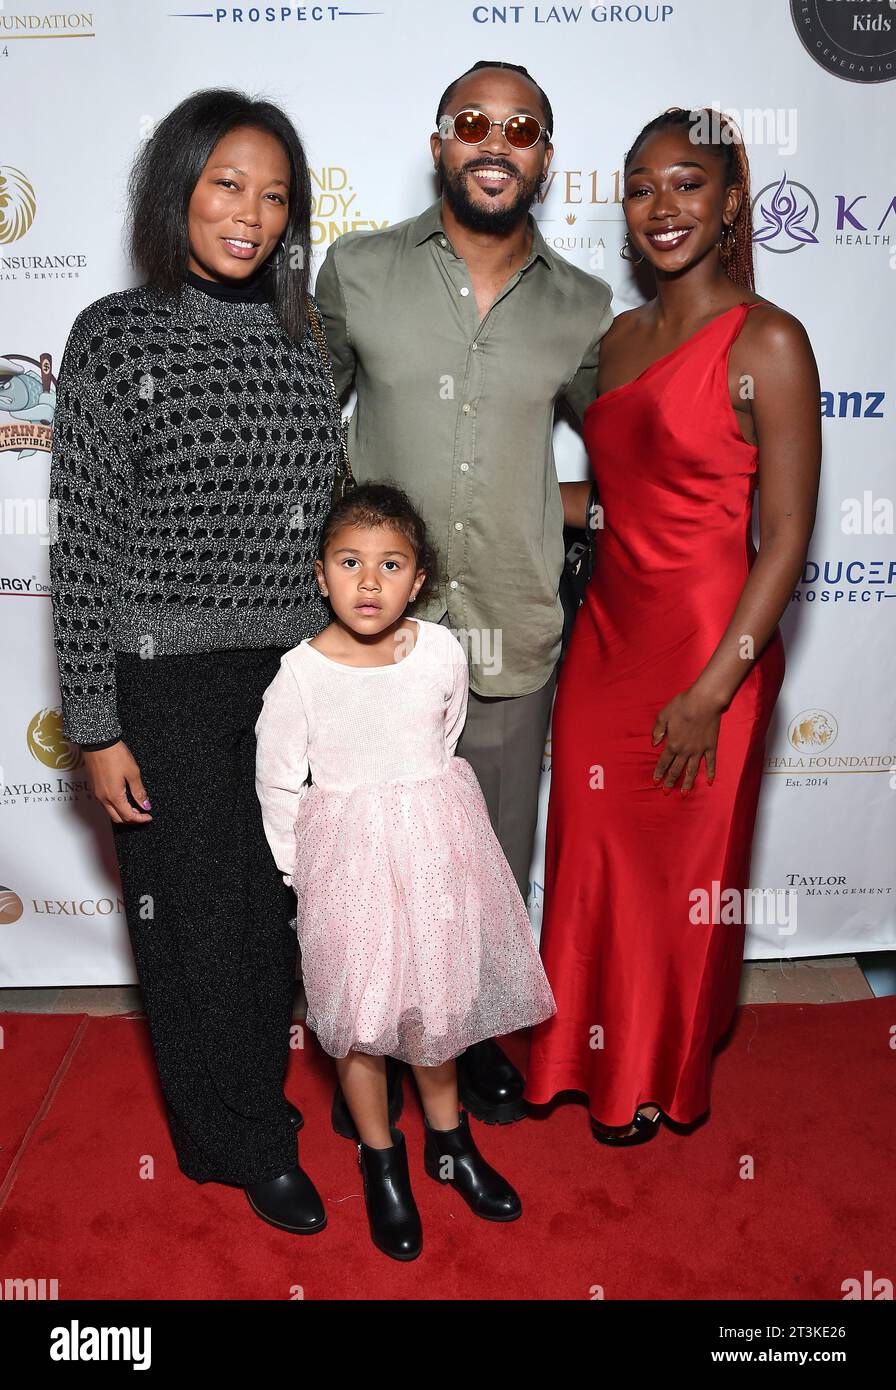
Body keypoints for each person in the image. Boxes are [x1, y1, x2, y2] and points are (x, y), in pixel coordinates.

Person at [48, 88, 345, 1232]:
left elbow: (321, 513)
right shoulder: (113, 333)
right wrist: (94, 721)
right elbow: (87, 540)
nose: (252, 214)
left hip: (291, 673)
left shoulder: (297, 333)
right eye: (228, 183)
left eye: (275, 196)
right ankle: (236, 1140)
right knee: (192, 921)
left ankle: (255, 1096)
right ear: (176, 189)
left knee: (273, 911)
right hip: (164, 681)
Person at [313, 59, 613, 1130]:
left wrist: (568, 515)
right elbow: (302, 432)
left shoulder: (584, 305)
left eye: (521, 126)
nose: (497, 140)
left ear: (542, 156)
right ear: (440, 141)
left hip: (509, 630)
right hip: (374, 640)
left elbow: (633, 449)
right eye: (473, 121)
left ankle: (474, 1036)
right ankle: (375, 1055)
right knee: (369, 856)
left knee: (488, 857)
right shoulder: (356, 270)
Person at [524, 107, 821, 1143]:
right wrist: (484, 501)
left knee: (684, 878)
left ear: (731, 199)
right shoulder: (613, 338)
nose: (662, 206)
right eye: (642, 186)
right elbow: (613, 499)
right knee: (595, 858)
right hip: (604, 636)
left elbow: (782, 536)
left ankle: (656, 1077)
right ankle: (579, 1058)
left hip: (710, 644)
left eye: (687, 183)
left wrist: (711, 687)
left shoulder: (767, 340)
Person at [254, 481, 556, 1259]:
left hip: (433, 865)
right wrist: (308, 876)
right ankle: (381, 1158)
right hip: (345, 877)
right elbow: (278, 782)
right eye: (349, 562)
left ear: (418, 580)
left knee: (435, 1011)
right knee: (358, 1029)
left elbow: (443, 738)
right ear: (320, 574)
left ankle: (449, 1146)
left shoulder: (441, 652)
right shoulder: (300, 674)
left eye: (391, 564)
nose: (369, 581)